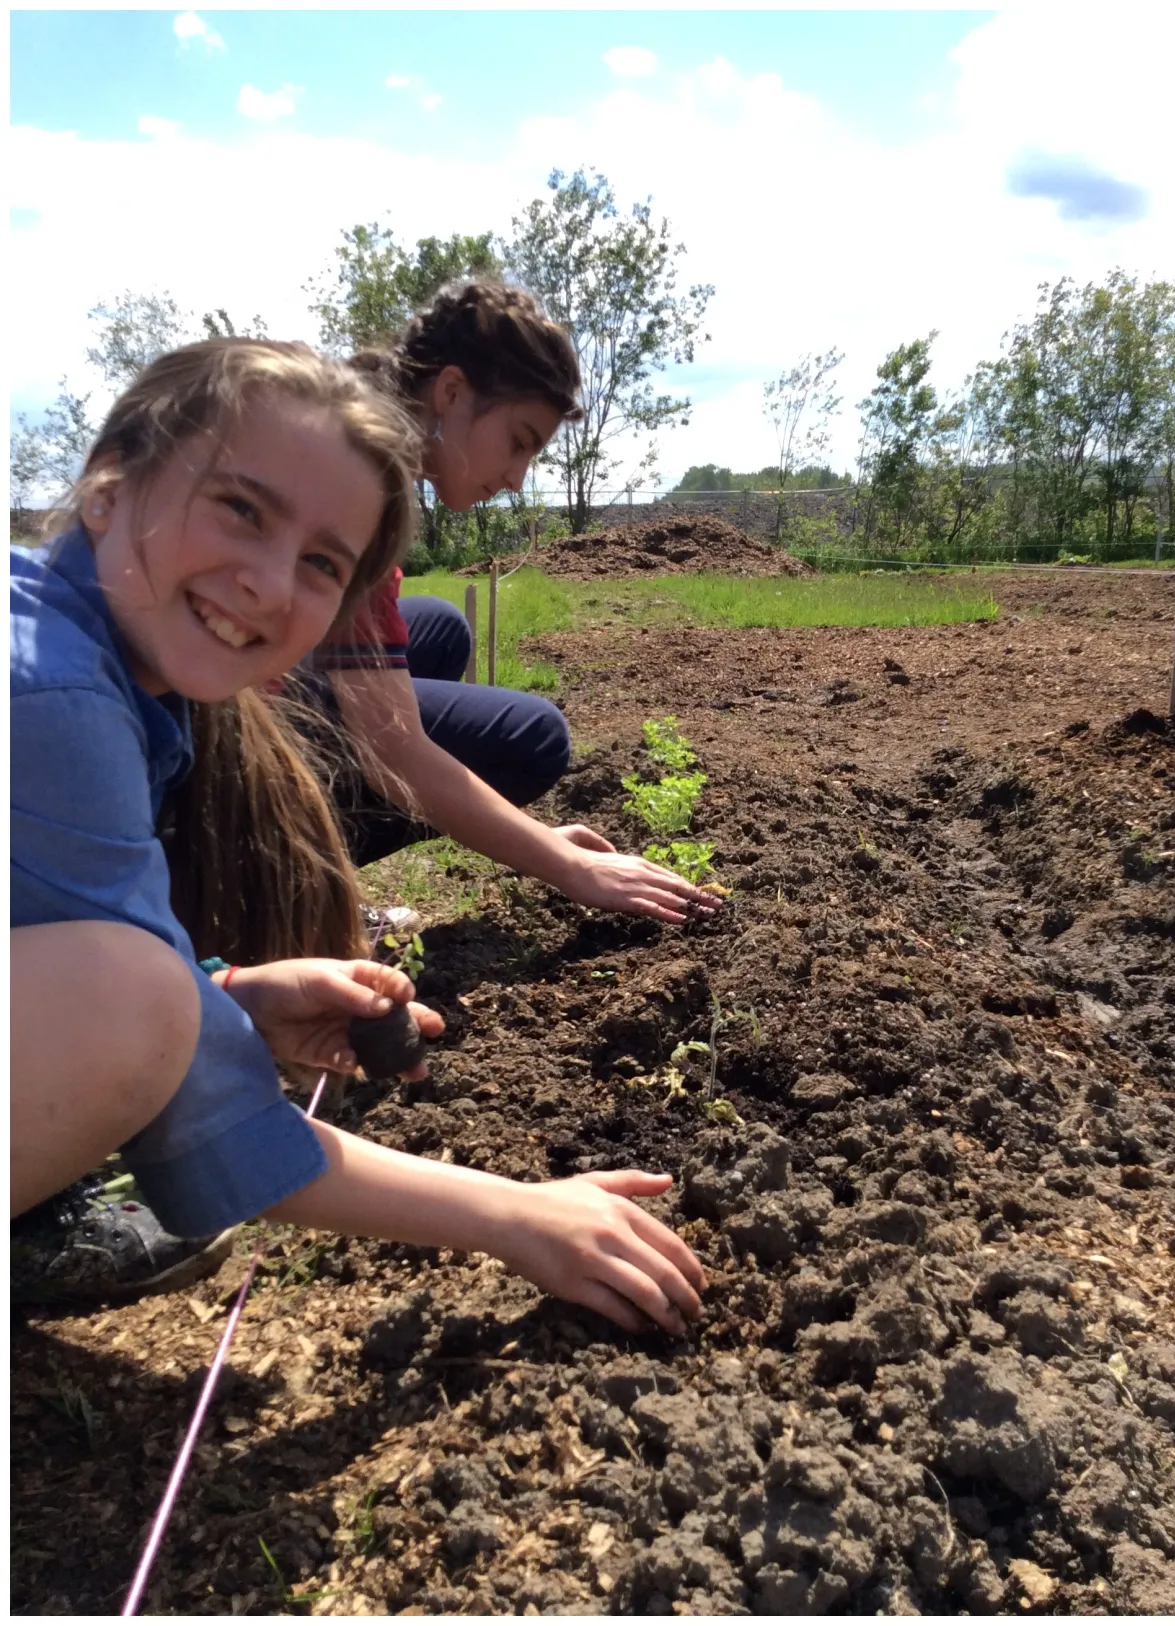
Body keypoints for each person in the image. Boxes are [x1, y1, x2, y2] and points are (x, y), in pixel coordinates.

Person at [10, 337, 706, 1334]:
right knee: (131, 998)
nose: (267, 582)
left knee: (149, 993)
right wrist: (516, 1214)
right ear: (109, 486)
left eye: (321, 565)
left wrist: (232, 1002)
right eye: (241, 509)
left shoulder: (75, 648)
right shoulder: (55, 698)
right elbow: (204, 1096)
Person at [298, 280, 720, 925]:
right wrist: (561, 859)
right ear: (451, 392)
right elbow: (395, 752)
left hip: (249, 690)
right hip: (204, 740)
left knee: (437, 626)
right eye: (518, 441)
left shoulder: (363, 441)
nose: (518, 477)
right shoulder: (360, 478)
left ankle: (308, 865)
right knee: (531, 738)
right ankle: (292, 886)